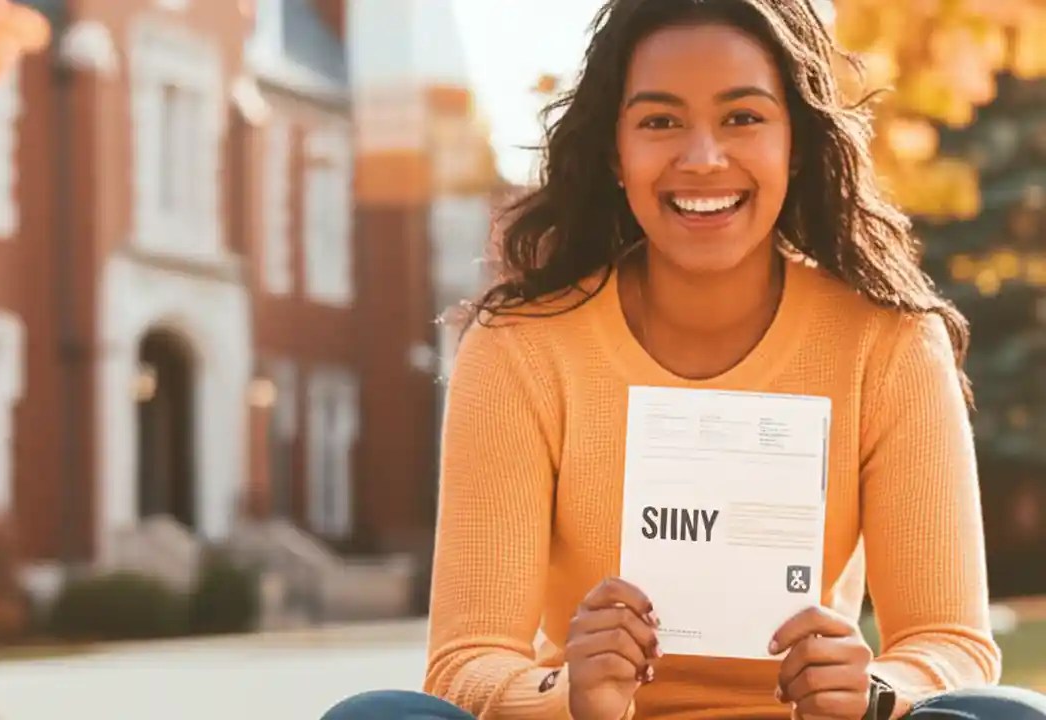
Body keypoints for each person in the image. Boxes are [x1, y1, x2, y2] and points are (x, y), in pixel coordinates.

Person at [323, 0, 1046, 718]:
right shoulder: (521, 350)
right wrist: (569, 694)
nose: (702, 159)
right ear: (615, 150)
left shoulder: (887, 345)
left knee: (1007, 716)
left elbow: (950, 645)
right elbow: (464, 663)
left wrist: (877, 696)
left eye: (743, 117)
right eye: (660, 121)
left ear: (795, 141)